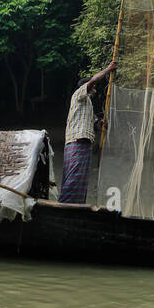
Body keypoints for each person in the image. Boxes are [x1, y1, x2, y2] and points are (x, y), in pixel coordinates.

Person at [59, 61, 117, 204]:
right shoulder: (78, 95)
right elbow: (93, 80)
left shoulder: (88, 105)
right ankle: (66, 205)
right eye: (94, 87)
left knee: (81, 179)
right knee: (73, 177)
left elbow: (95, 124)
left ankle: (76, 205)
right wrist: (108, 69)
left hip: (85, 145)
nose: (95, 90)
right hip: (76, 142)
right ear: (86, 87)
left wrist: (101, 124)